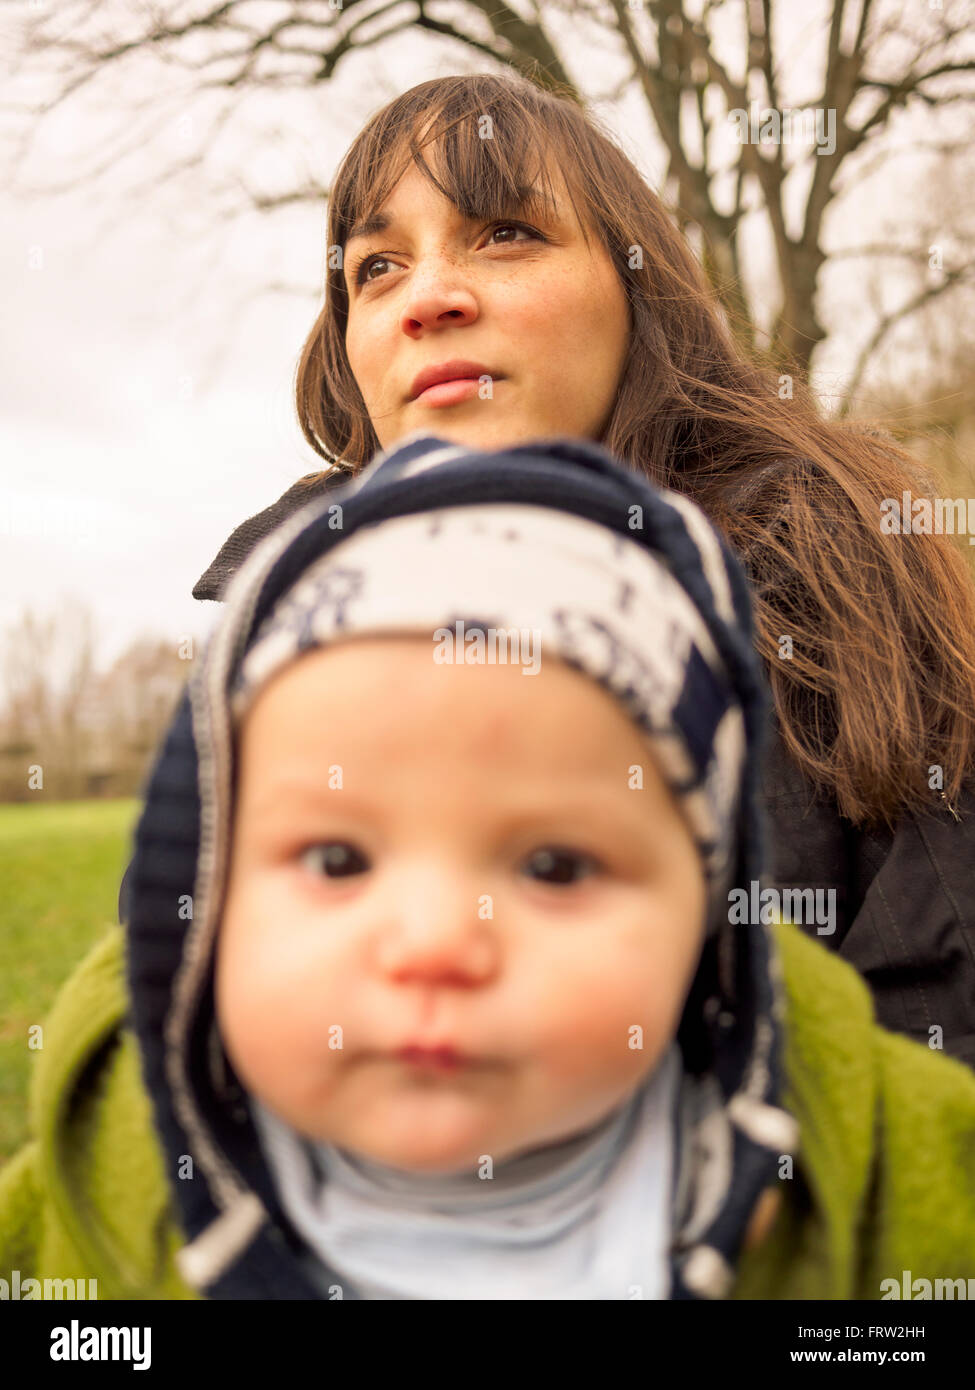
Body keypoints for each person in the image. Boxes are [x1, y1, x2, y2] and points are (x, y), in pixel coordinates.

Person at [7, 433, 975, 1300]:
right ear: (207, 897)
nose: (434, 942)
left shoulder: (903, 1174)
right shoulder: (89, 1200)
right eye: (337, 858)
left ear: (708, 917)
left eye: (555, 865)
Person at [159, 72, 975, 1067]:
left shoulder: (837, 561)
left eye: (504, 233)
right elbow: (172, 1034)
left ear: (640, 292)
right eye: (376, 267)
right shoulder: (274, 637)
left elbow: (944, 1051)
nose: (429, 297)